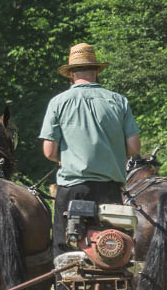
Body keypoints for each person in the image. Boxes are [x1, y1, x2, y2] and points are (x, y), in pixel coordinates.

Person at [39, 43, 141, 261]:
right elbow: (134, 148)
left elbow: (49, 151)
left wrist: (64, 157)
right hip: (109, 189)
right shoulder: (119, 101)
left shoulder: (58, 102)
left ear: (71, 75)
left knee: (65, 250)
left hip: (72, 188)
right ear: (96, 71)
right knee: (113, 247)